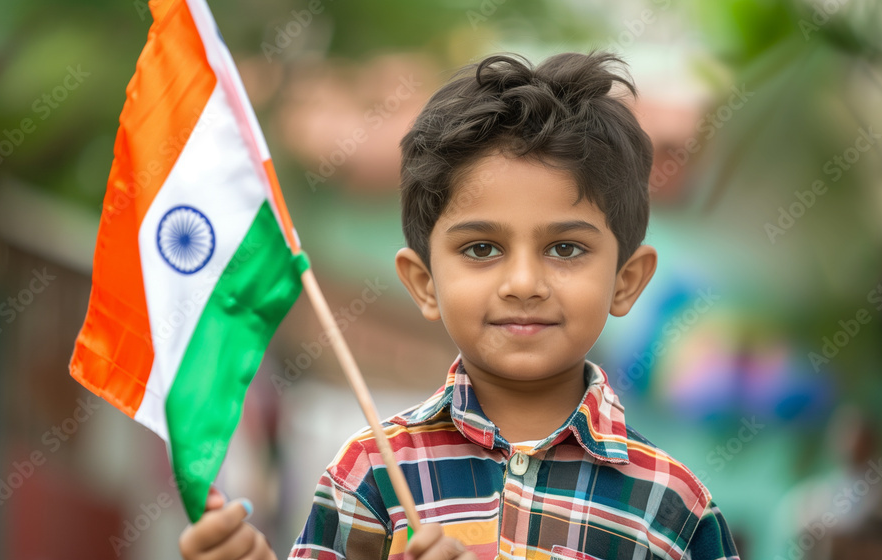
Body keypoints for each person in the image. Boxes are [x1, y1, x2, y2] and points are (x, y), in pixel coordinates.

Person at [179, 50, 740, 560]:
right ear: (423, 282)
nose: (523, 282)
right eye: (482, 248)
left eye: (565, 248)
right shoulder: (371, 475)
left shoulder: (673, 509)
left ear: (626, 279)